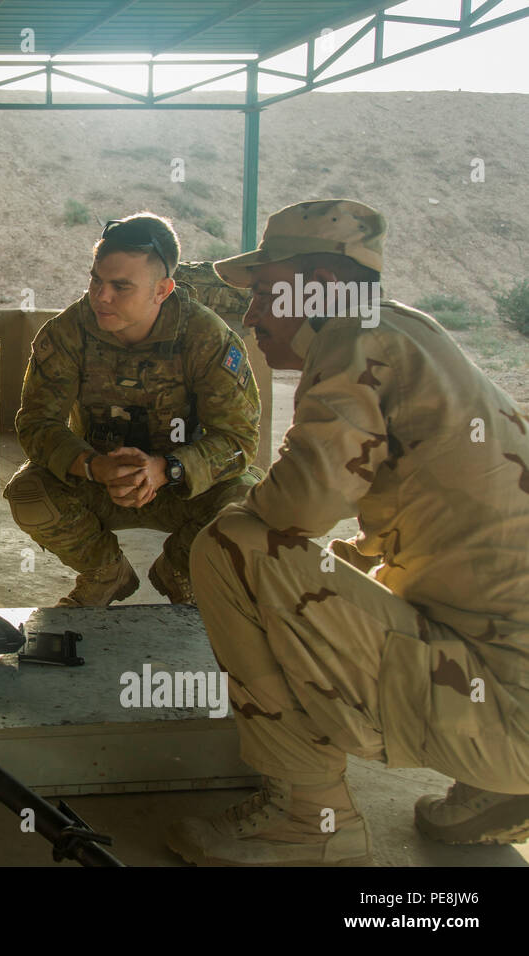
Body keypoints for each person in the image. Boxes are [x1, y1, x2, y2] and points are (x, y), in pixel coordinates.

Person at [169, 199, 529, 866]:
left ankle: (309, 817)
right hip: (511, 697)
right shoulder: (412, 331)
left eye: (268, 293)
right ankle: (498, 790)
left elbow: (299, 506)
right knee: (335, 563)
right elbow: (390, 531)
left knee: (232, 545)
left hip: (509, 719)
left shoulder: (352, 335)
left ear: (323, 289)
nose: (250, 316)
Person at [4, 213, 262, 606]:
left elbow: (239, 440)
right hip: (101, 480)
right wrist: (93, 465)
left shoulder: (205, 337)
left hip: (181, 484)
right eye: (96, 280)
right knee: (29, 492)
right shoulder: (67, 332)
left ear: (162, 290)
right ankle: (105, 572)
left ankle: (180, 571)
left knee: (250, 499)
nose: (101, 297)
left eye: (120, 286)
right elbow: (37, 424)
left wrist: (166, 469)